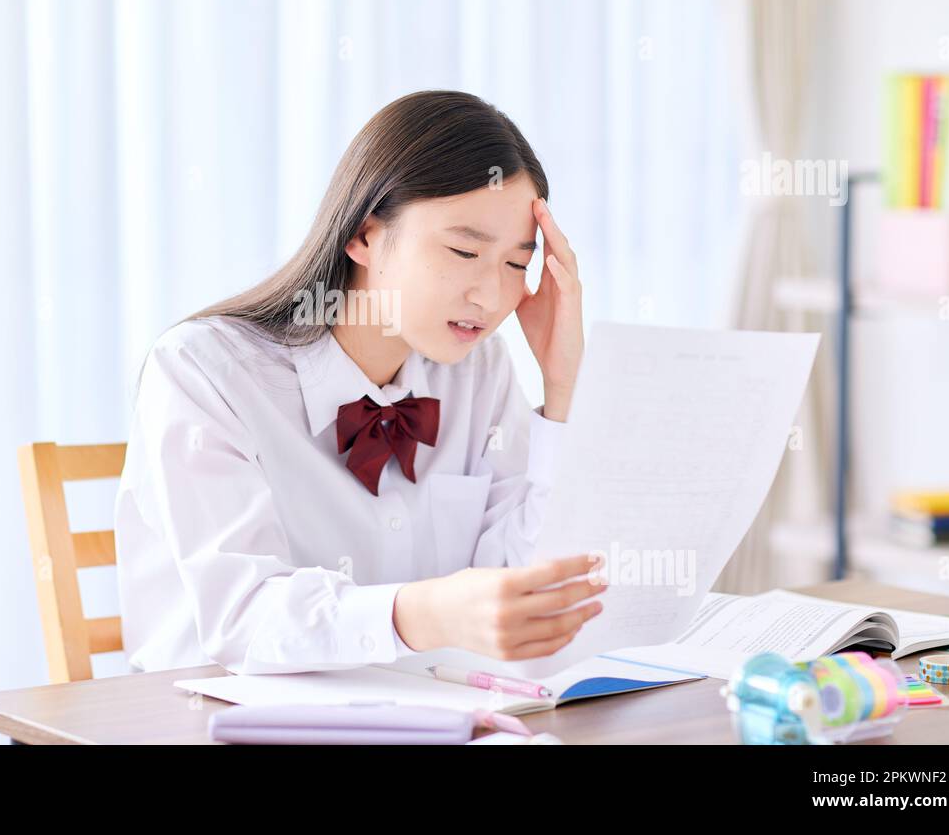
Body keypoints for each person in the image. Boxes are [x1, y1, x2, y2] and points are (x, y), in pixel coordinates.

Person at [114, 89, 606, 675]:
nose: (492, 295)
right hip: (209, 720)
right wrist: (425, 614)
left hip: (421, 715)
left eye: (514, 264)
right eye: (463, 249)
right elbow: (241, 617)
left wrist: (563, 389)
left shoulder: (481, 371)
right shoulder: (203, 372)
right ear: (365, 235)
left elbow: (534, 587)